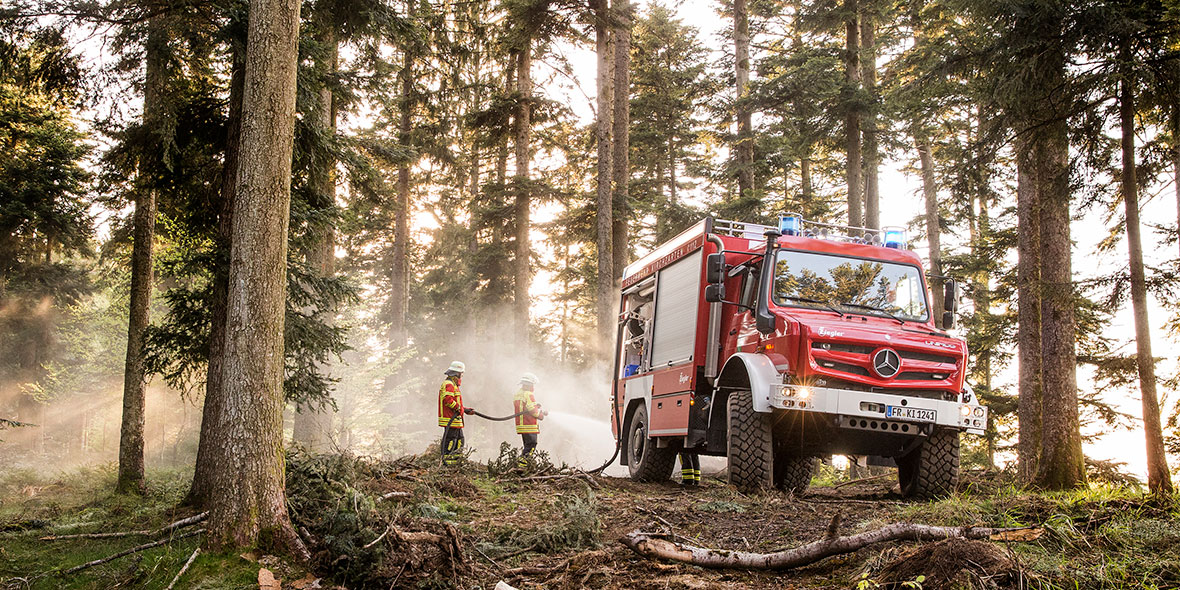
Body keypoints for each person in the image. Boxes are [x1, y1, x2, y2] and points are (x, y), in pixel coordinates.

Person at [438, 361, 474, 465]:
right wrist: (459, 409)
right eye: (461, 373)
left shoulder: (453, 385)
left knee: (459, 439)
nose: (461, 376)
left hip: (455, 419)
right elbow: (448, 400)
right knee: (451, 439)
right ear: (457, 373)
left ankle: (456, 460)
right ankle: (447, 462)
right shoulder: (448, 384)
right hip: (450, 418)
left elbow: (455, 402)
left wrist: (465, 410)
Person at [512, 372, 546, 468]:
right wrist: (540, 415)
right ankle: (522, 465)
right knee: (531, 445)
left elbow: (524, 407)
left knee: (527, 445)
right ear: (529, 384)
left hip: (521, 425)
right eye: (533, 385)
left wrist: (536, 406)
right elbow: (532, 410)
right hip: (529, 424)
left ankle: (523, 464)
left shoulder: (518, 394)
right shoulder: (528, 394)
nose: (533, 387)